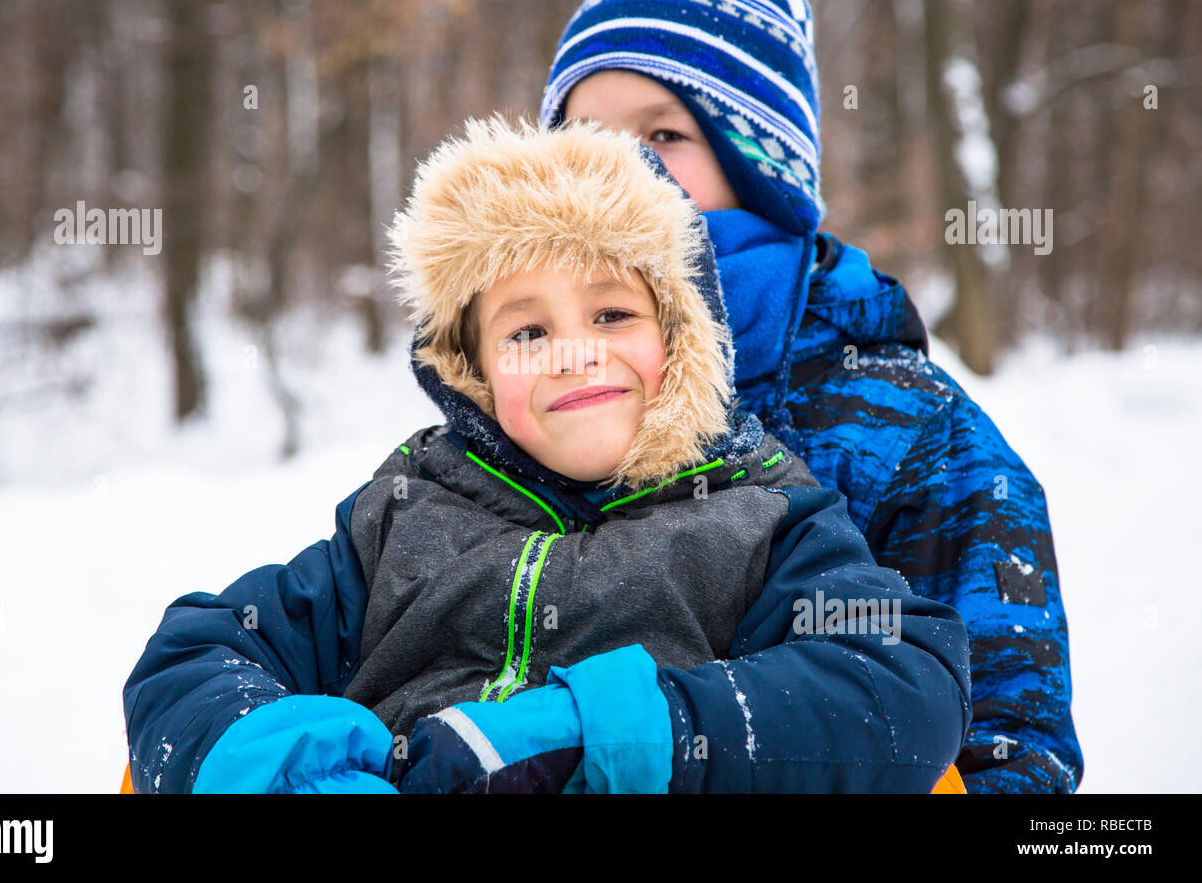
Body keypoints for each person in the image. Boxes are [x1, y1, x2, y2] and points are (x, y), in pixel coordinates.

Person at [122, 115, 971, 794]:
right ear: (473, 373)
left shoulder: (758, 516)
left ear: (682, 337)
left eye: (611, 315)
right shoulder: (407, 517)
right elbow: (200, 651)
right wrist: (285, 766)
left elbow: (903, 675)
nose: (574, 352)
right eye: (528, 330)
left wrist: (606, 733)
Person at [538, 0, 1081, 792]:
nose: (616, 171)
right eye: (582, 138)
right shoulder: (528, 396)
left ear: (760, 167)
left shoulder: (919, 434)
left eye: (665, 134)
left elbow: (1014, 749)